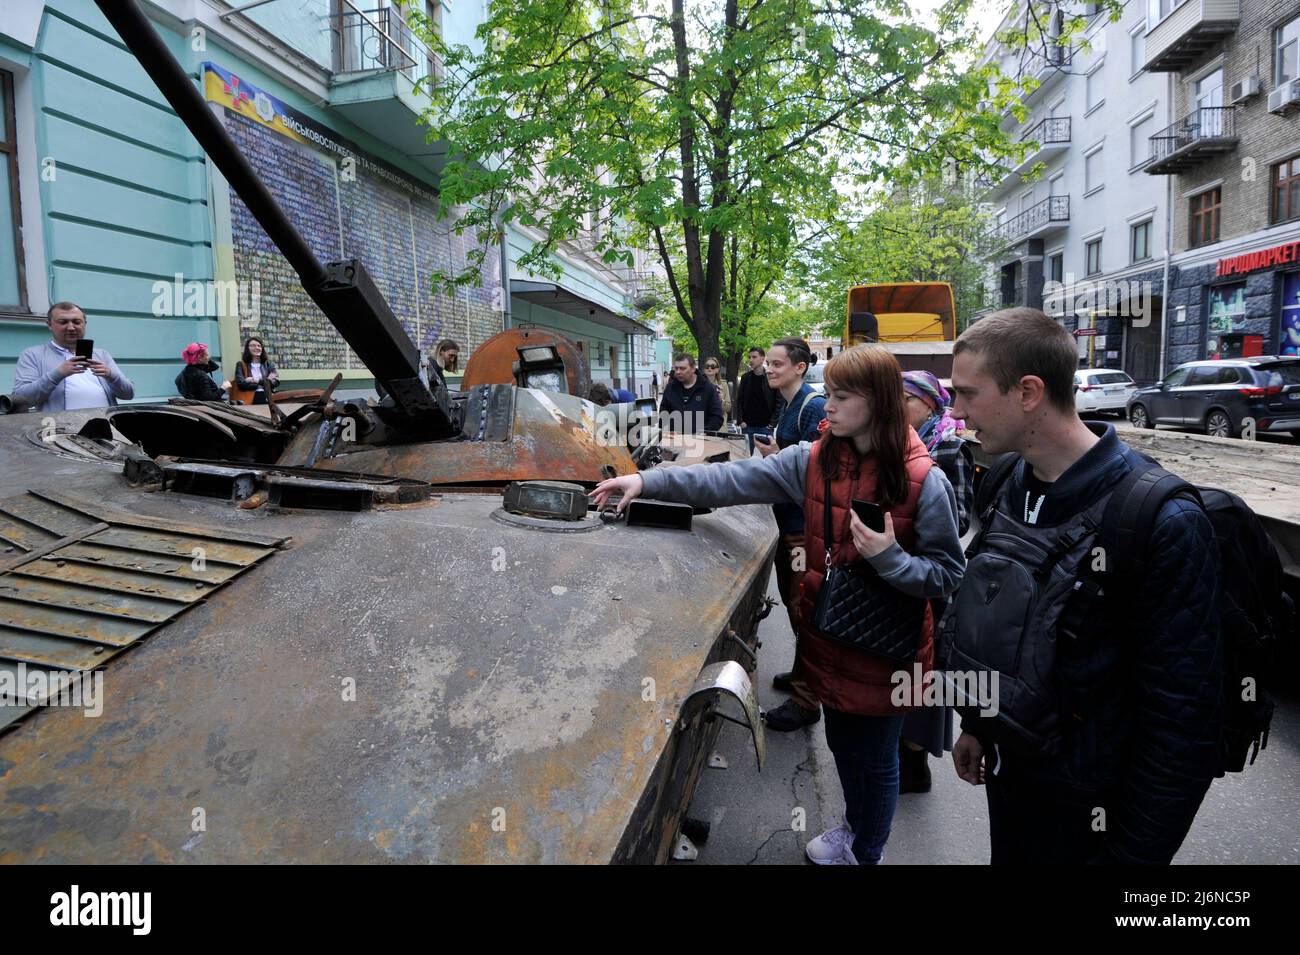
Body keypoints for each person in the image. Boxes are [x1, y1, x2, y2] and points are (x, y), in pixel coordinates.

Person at [592, 344, 965, 864]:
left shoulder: (927, 481)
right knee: (844, 748)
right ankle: (853, 829)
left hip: (888, 653)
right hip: (831, 640)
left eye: (840, 396)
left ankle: (866, 851)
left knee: (876, 761)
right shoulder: (814, 461)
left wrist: (890, 559)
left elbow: (948, 575)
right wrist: (646, 480)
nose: (826, 405)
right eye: (828, 393)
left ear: (877, 402)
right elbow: (725, 481)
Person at [946, 308, 1223, 864]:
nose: (955, 412)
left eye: (966, 394)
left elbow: (1181, 723)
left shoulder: (1161, 520)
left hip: (1095, 816)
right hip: (1014, 778)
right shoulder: (1003, 480)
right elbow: (999, 622)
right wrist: (979, 724)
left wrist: (1134, 859)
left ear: (1028, 392)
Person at [897, 369, 976, 793]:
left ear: (928, 404)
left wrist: (909, 519)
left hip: (932, 578)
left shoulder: (948, 448)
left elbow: (960, 517)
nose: (894, 409)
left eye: (903, 400)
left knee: (923, 671)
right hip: (904, 572)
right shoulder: (902, 444)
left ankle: (914, 762)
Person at [762, 337, 828, 731]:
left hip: (803, 531)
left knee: (805, 609)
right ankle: (800, 672)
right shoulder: (787, 404)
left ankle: (808, 700)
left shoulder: (812, 406)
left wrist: (775, 458)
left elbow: (822, 468)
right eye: (768, 363)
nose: (769, 369)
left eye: (777, 364)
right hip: (787, 525)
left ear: (800, 367)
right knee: (793, 604)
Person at [12, 301, 134, 412]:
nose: (71, 327)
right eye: (63, 322)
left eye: (76, 322)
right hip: (61, 430)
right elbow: (21, 399)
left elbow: (128, 394)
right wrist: (57, 374)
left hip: (105, 427)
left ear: (84, 324)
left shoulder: (101, 354)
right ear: (49, 324)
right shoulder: (33, 355)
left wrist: (111, 376)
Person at [658, 353, 723, 434]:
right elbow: (663, 411)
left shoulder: (708, 388)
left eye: (682, 368)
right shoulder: (671, 388)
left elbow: (717, 417)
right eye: (676, 368)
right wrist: (668, 428)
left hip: (701, 442)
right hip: (675, 441)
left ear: (693, 368)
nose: (678, 372)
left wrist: (704, 432)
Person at [735, 346, 776, 451]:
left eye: (754, 357)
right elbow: (739, 400)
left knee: (767, 457)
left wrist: (772, 423)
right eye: (749, 357)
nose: (751, 360)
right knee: (747, 456)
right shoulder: (745, 378)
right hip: (748, 426)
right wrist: (740, 421)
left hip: (765, 427)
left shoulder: (770, 377)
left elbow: (779, 402)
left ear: (762, 359)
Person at [232, 337, 279, 405]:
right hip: (248, 399)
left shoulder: (269, 364)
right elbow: (241, 384)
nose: (256, 348)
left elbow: (275, 382)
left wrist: (255, 380)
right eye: (253, 345)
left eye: (259, 346)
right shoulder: (241, 364)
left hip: (267, 397)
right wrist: (263, 383)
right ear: (247, 348)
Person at [702, 357, 732, 422]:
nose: (709, 368)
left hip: (719, 424)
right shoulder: (697, 384)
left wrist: (721, 401)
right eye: (707, 366)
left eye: (712, 366)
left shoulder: (723, 385)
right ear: (704, 369)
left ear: (717, 370)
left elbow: (728, 408)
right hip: (702, 423)